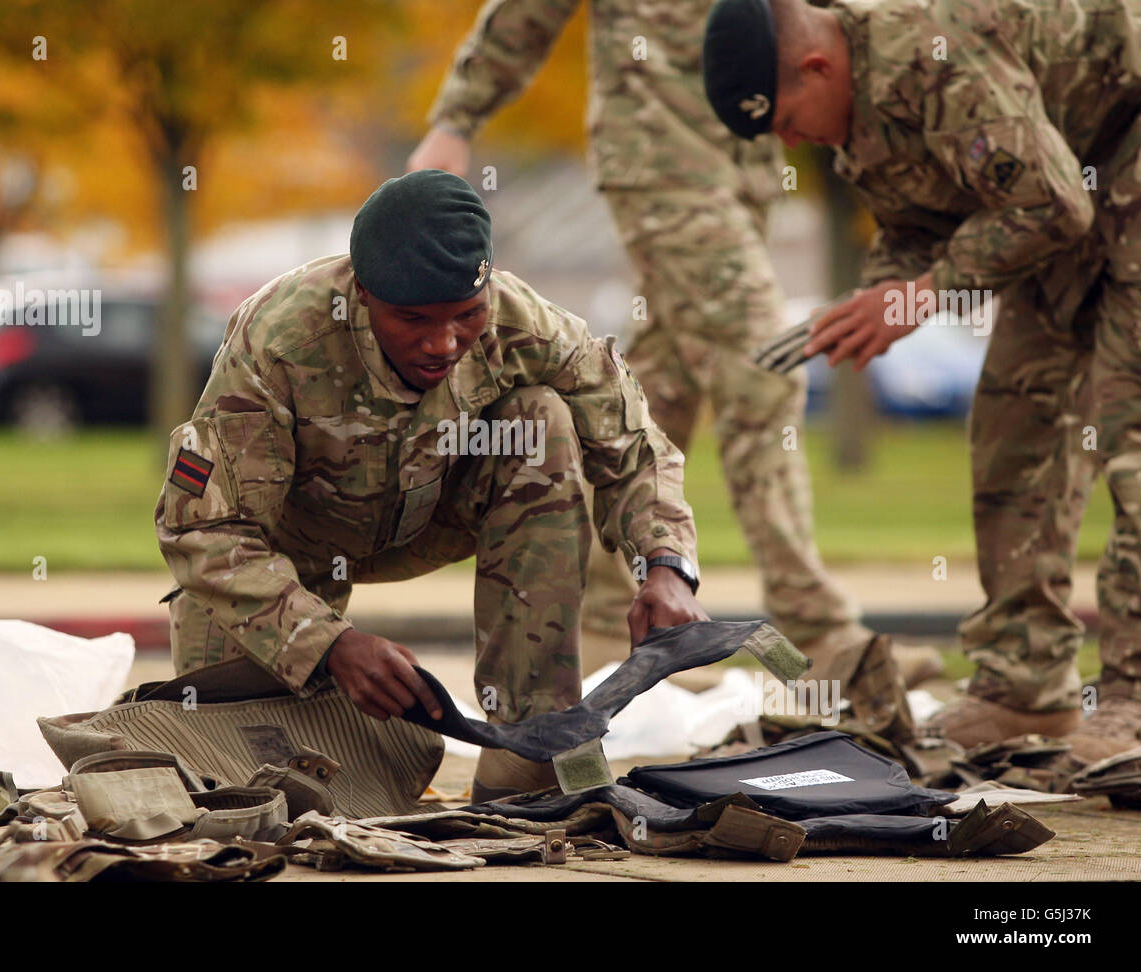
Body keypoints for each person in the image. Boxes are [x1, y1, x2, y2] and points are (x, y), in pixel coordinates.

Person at [407, 0, 916, 724]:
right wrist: (456, 119)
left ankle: (603, 623)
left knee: (651, 395)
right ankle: (818, 629)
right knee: (762, 365)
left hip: (748, 161)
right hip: (659, 155)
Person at [154, 169, 708, 801]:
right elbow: (202, 527)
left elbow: (633, 444)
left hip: (430, 515)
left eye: (466, 315)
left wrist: (667, 565)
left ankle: (536, 744)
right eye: (412, 319)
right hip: (287, 548)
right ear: (362, 293)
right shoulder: (281, 340)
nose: (443, 343)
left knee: (541, 422)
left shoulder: (525, 323)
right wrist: (327, 643)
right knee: (241, 791)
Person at [703, 0, 1141, 763]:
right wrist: (869, 303)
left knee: (1129, 434)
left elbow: (1051, 201)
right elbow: (916, 229)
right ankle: (1022, 685)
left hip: (1119, 150)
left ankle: (1133, 697)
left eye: (784, 118)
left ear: (818, 67)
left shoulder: (934, 53)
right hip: (1064, 183)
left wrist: (918, 296)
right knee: (1014, 430)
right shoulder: (860, 117)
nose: (787, 139)